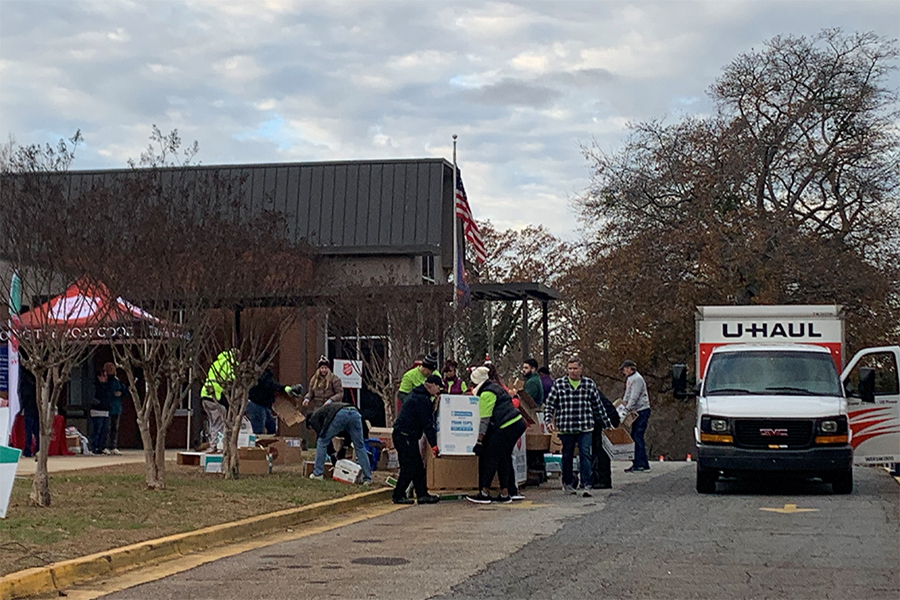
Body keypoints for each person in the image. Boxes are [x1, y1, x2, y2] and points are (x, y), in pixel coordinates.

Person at [543, 356, 612, 497]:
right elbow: (550, 404)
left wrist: (607, 424)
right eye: (570, 369)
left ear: (581, 369)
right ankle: (568, 483)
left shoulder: (589, 384)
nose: (572, 371)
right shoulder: (559, 384)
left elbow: (598, 406)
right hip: (566, 427)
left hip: (585, 426)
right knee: (567, 456)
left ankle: (587, 484)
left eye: (575, 368)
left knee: (585, 454)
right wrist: (548, 420)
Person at [466, 366, 527, 504]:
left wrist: (479, 441)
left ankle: (484, 492)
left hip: (506, 426)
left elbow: (485, 420)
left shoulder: (486, 394)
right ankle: (505, 493)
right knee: (503, 457)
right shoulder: (497, 388)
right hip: (517, 422)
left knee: (491, 457)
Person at [391, 374, 443, 505]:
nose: (438, 391)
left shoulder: (418, 395)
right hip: (405, 435)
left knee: (417, 466)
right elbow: (427, 424)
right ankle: (398, 494)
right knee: (409, 466)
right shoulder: (422, 400)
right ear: (431, 385)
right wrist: (434, 445)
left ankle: (422, 494)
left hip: (406, 435)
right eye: (438, 387)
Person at [307, 401, 372, 485]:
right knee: (360, 447)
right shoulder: (323, 412)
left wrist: (332, 455)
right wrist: (344, 447)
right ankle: (367, 478)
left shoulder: (313, 419)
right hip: (355, 412)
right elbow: (347, 434)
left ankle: (318, 473)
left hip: (340, 414)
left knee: (321, 442)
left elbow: (323, 437)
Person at [247, 366, 301, 435]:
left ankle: (266, 440)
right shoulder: (259, 372)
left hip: (262, 404)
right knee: (259, 430)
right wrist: (283, 388)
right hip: (256, 403)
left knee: (271, 428)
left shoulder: (263, 372)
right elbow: (269, 383)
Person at [201, 349, 236, 452]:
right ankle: (216, 446)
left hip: (205, 394)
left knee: (212, 422)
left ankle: (214, 443)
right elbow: (233, 378)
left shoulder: (216, 362)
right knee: (219, 421)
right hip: (215, 396)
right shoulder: (230, 363)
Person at [621, 359, 651, 472]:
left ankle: (641, 463)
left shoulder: (637, 379)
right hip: (636, 410)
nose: (624, 371)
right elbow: (627, 395)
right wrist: (622, 405)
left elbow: (634, 396)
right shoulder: (630, 379)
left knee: (637, 436)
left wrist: (627, 409)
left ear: (630, 368)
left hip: (641, 410)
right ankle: (639, 462)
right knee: (635, 436)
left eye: (624, 369)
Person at [592, 387, 621, 489]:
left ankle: (604, 480)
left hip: (607, 419)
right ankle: (598, 477)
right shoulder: (592, 390)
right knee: (597, 448)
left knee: (601, 449)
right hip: (607, 417)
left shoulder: (589, 392)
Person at [103, 362, 124, 455]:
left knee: (115, 428)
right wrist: (112, 394)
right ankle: (105, 446)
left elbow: (123, 388)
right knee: (107, 428)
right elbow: (104, 391)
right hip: (108, 407)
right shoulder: (105, 380)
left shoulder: (116, 380)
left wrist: (121, 392)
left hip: (116, 406)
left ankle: (113, 446)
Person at [91, 368, 112, 455]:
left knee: (104, 430)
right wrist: (100, 403)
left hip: (105, 411)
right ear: (99, 377)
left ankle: (101, 447)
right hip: (97, 411)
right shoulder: (94, 386)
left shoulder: (106, 386)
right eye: (104, 376)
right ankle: (94, 447)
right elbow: (91, 398)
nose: (105, 378)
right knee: (97, 430)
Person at [19, 366, 39, 458]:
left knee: (29, 431)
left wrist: (20, 409)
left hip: (29, 411)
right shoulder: (36, 385)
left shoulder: (25, 385)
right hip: (36, 410)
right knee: (36, 431)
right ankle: (37, 449)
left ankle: (28, 450)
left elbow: (24, 398)